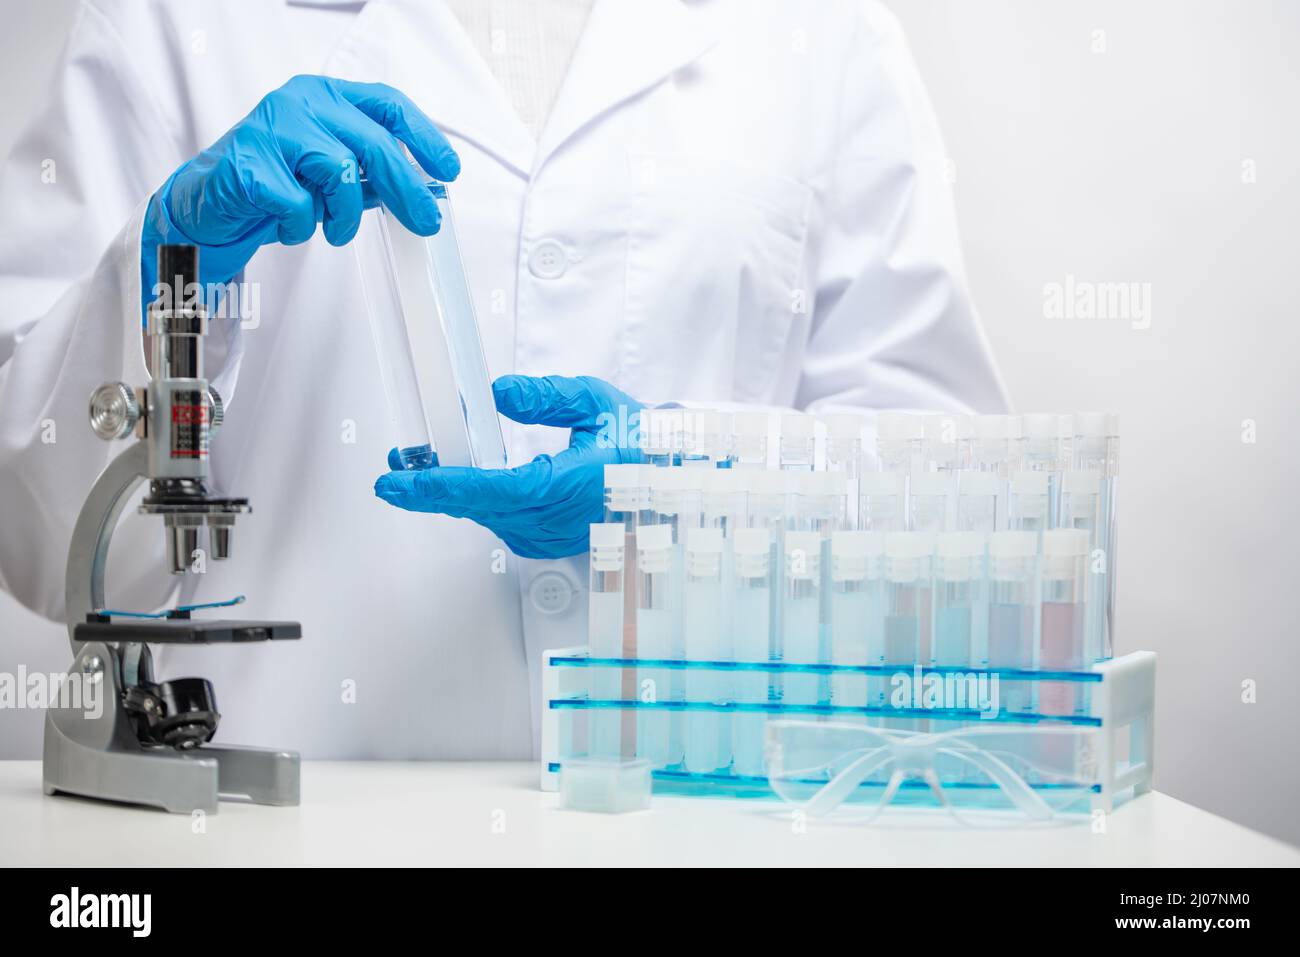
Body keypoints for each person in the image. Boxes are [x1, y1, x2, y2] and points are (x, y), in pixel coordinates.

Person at [0, 0, 1008, 758]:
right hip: (289, 823)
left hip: (709, 813)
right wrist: (162, 271)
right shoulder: (177, 20)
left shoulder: (816, 31)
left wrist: (698, 485)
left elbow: (958, 509)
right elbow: (36, 545)